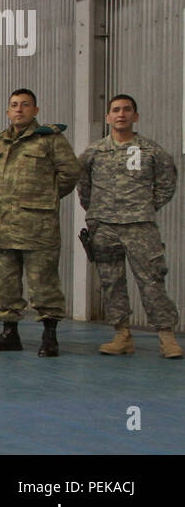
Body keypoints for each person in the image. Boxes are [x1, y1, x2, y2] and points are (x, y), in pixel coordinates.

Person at [78, 94, 181, 359]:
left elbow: (167, 184)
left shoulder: (151, 150)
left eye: (126, 110)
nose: (121, 114)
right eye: (115, 110)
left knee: (152, 281)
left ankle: (167, 337)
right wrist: (96, 214)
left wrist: (145, 207)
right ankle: (122, 335)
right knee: (111, 282)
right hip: (104, 226)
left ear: (135, 116)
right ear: (109, 117)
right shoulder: (93, 152)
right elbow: (84, 187)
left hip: (140, 226)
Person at [0, 88, 82, 357]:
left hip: (38, 226)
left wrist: (45, 197)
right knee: (5, 282)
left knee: (43, 282)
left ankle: (49, 336)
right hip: (3, 224)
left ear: (35, 110)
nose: (19, 109)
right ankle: (9, 333)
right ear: (7, 111)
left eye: (25, 105)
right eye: (14, 105)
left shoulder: (50, 139)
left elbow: (71, 173)